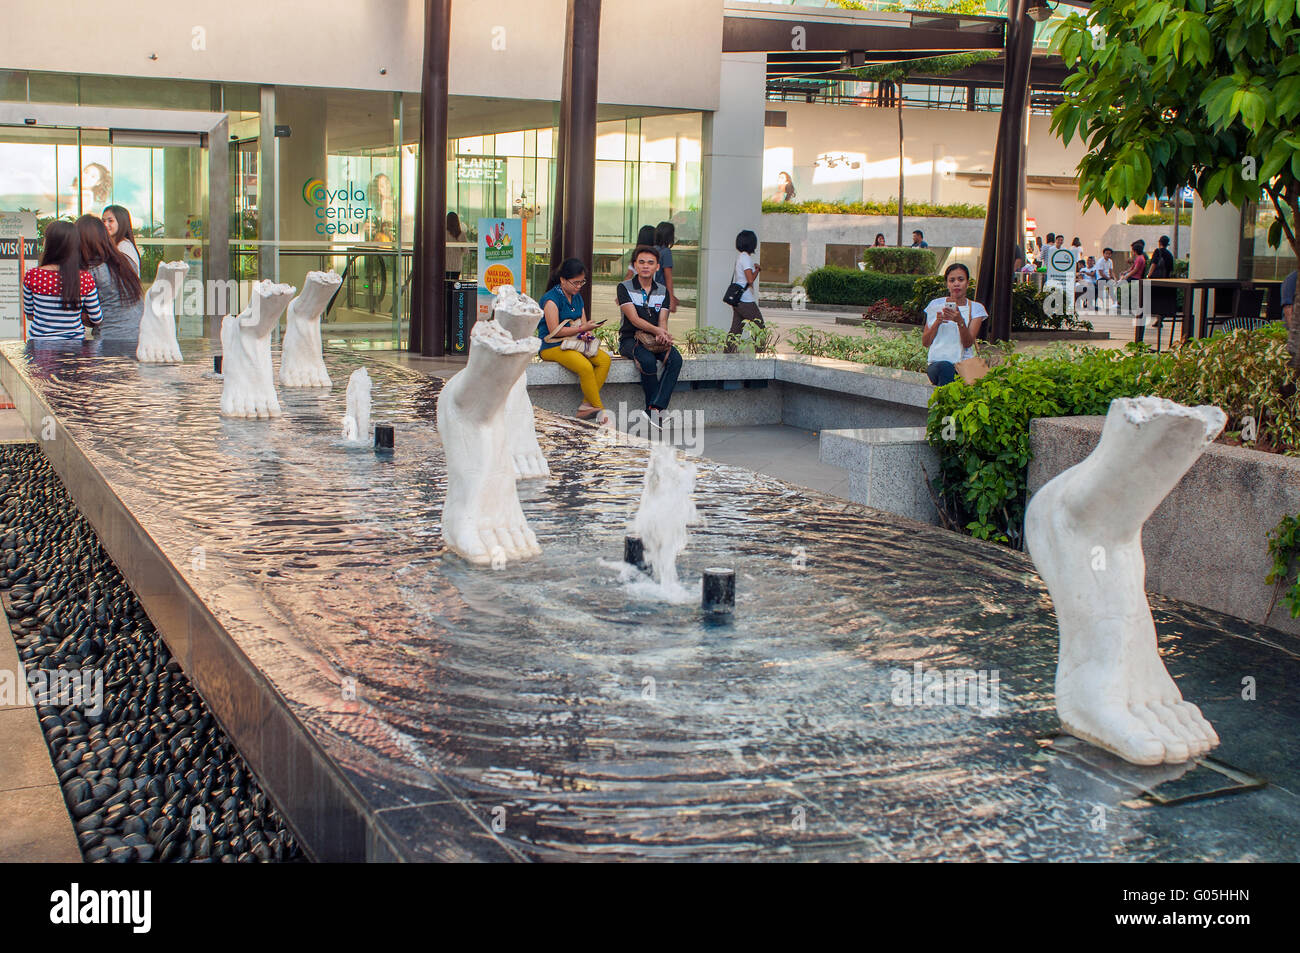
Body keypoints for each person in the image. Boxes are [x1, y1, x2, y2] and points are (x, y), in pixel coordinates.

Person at [537, 258, 611, 419]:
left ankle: (586, 405)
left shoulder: (577, 296)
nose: (578, 287)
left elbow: (583, 323)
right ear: (563, 280)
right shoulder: (551, 299)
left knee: (604, 360)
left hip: (574, 342)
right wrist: (581, 329)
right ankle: (600, 410)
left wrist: (586, 332)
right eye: (575, 283)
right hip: (552, 346)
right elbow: (553, 331)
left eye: (581, 282)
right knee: (585, 367)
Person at [617, 245, 682, 417]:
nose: (646, 266)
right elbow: (634, 319)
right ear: (635, 265)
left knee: (675, 360)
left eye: (650, 263)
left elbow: (663, 321)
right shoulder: (624, 287)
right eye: (642, 262)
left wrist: (664, 335)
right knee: (647, 361)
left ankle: (654, 408)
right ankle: (656, 413)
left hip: (654, 339)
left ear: (657, 267)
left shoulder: (663, 291)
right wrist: (658, 331)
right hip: (630, 339)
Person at [21, 220, 103, 340]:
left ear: (49, 244)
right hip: (74, 348)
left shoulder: (32, 276)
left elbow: (30, 314)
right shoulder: (85, 279)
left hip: (40, 347)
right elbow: (97, 318)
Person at [76, 214, 143, 343]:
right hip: (140, 337)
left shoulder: (91, 271)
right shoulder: (126, 261)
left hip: (109, 340)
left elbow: (89, 317)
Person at [921, 263, 986, 386]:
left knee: (950, 373)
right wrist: (937, 322)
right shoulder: (935, 305)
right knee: (946, 368)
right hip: (938, 363)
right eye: (952, 280)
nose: (956, 284)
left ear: (967, 283)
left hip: (964, 365)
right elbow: (925, 342)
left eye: (961, 279)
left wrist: (960, 321)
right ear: (947, 284)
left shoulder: (976, 308)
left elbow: (968, 343)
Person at [729, 229, 764, 342]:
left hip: (738, 300)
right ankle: (760, 355)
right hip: (746, 300)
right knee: (760, 328)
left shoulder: (741, 257)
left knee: (735, 331)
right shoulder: (746, 258)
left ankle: (727, 354)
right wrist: (757, 270)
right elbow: (749, 280)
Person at [1145, 234, 1177, 340]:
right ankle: (1160, 319)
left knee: (1155, 300)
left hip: (1157, 280)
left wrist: (1149, 275)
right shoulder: (1169, 254)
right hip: (1166, 280)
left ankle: (1155, 318)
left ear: (1159, 242)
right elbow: (1171, 268)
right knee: (1163, 300)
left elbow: (1154, 263)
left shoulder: (1158, 251)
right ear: (1167, 244)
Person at [102, 205, 141, 275]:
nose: (105, 224)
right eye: (103, 221)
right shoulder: (113, 245)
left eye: (110, 221)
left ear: (121, 222)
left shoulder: (124, 247)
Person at [1123, 240, 1148, 340]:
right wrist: (1125, 272)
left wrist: (1127, 276)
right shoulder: (1139, 258)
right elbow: (1132, 268)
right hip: (1134, 276)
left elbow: (1135, 270)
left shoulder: (1140, 259)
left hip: (1136, 278)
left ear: (1135, 251)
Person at [654, 221, 679, 314]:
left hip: (650, 291)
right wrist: (671, 298)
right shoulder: (666, 251)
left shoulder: (652, 249)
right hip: (661, 293)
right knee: (661, 323)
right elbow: (668, 276)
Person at [445, 211, 467, 280]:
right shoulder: (461, 234)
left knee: (445, 285)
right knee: (454, 285)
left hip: (445, 264)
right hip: (457, 265)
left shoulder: (443, 233)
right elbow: (466, 250)